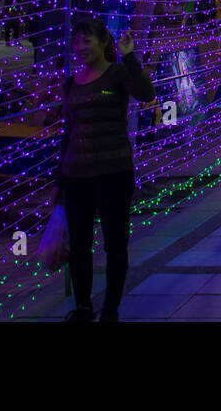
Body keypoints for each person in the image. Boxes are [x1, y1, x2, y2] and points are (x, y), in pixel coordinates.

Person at [55, 21, 154, 322]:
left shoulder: (118, 73)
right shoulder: (72, 82)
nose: (81, 48)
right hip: (76, 174)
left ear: (102, 43)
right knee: (80, 245)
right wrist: (59, 179)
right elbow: (69, 130)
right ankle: (83, 307)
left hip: (114, 171)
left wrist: (130, 57)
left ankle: (110, 309)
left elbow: (146, 93)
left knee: (115, 243)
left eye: (88, 41)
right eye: (77, 42)